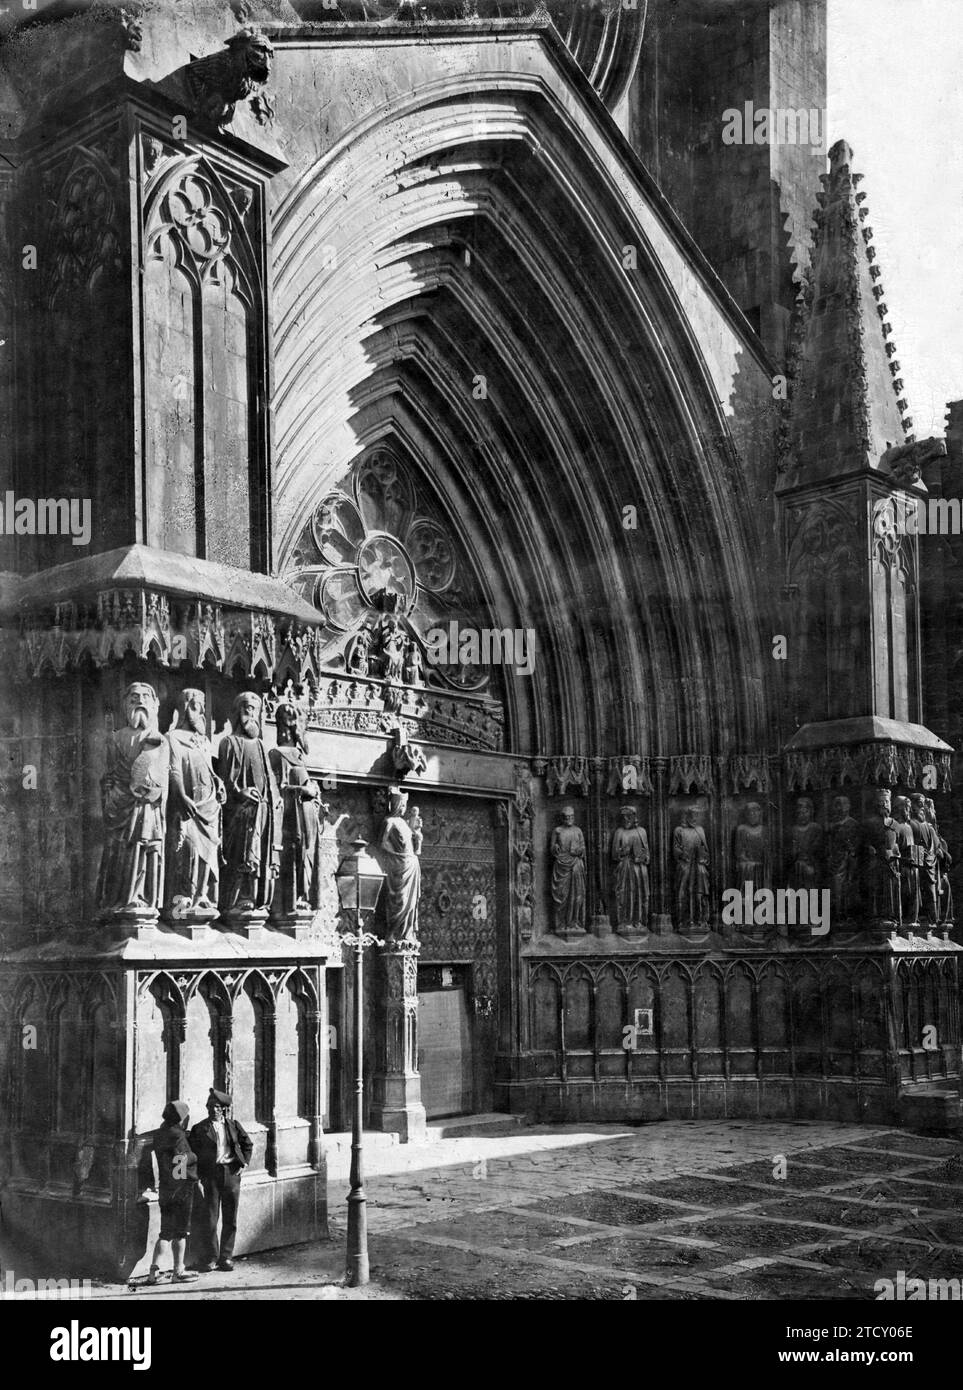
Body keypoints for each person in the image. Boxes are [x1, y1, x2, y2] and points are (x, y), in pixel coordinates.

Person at [136, 1100, 200, 1284]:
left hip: (165, 1188)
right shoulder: (177, 1135)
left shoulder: (161, 1132)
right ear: (181, 1118)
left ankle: (152, 1274)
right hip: (181, 1189)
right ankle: (178, 1272)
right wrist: (194, 1156)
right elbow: (179, 1164)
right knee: (181, 1232)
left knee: (165, 1233)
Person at [189, 1090, 253, 1273]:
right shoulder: (199, 1128)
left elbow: (248, 1144)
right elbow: (192, 1153)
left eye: (216, 1107)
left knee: (230, 1218)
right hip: (211, 1176)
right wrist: (198, 1176)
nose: (212, 1110)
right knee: (210, 1218)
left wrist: (244, 1163)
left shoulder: (233, 1125)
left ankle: (226, 1258)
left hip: (231, 1174)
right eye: (210, 1107)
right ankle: (211, 1258)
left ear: (224, 1109)